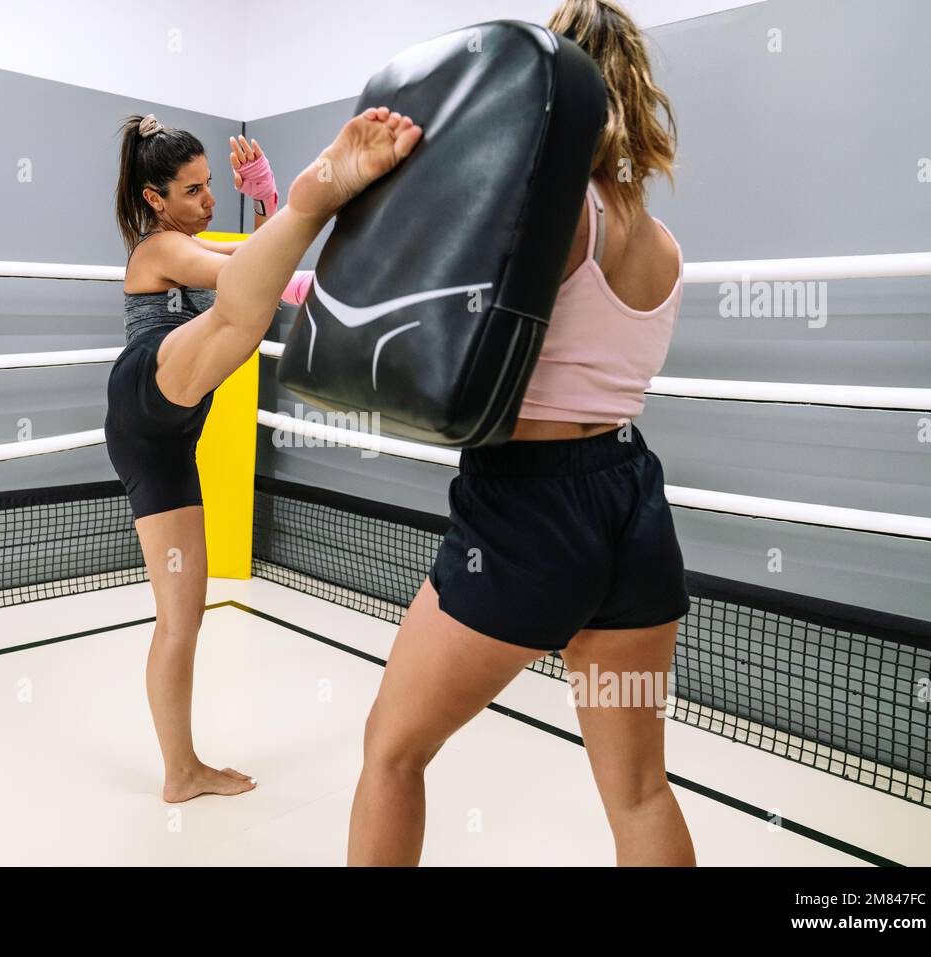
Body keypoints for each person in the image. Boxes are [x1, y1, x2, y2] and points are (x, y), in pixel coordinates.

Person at [347, 0, 695, 866]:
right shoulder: (663, 243)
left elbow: (423, 288)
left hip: (527, 509)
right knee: (641, 789)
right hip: (632, 499)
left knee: (393, 748)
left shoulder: (557, 215)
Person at [106, 106, 422, 803]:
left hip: (167, 439)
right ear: (155, 200)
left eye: (212, 184)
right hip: (145, 391)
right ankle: (323, 183)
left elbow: (273, 280)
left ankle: (180, 770)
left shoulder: (197, 240)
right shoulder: (156, 248)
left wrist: (273, 211)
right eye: (192, 191)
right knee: (241, 318)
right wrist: (282, 204)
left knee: (183, 614)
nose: (210, 199)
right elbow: (243, 280)